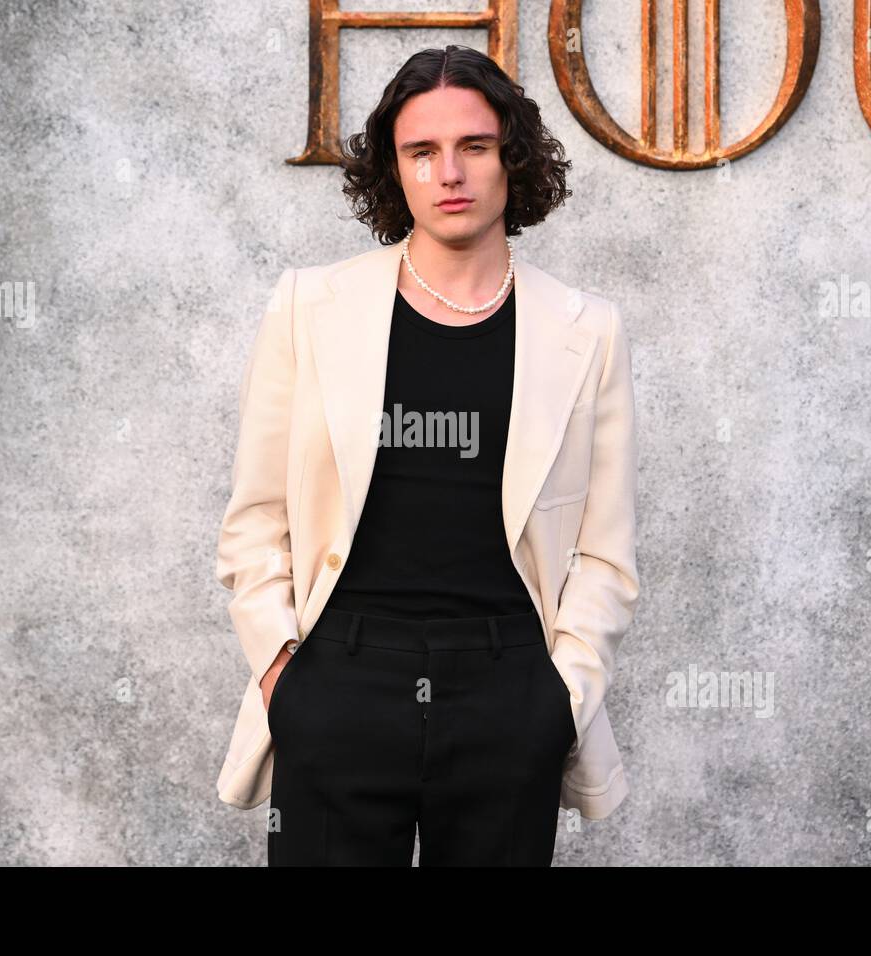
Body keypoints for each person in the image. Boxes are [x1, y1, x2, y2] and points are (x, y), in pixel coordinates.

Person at [215, 44, 641, 865]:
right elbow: (255, 521)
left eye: (474, 147)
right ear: (396, 169)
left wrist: (560, 699)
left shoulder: (587, 330)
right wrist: (284, 680)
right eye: (423, 151)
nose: (451, 172)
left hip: (509, 690)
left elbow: (606, 552)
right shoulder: (310, 307)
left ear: (511, 157)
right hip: (339, 680)